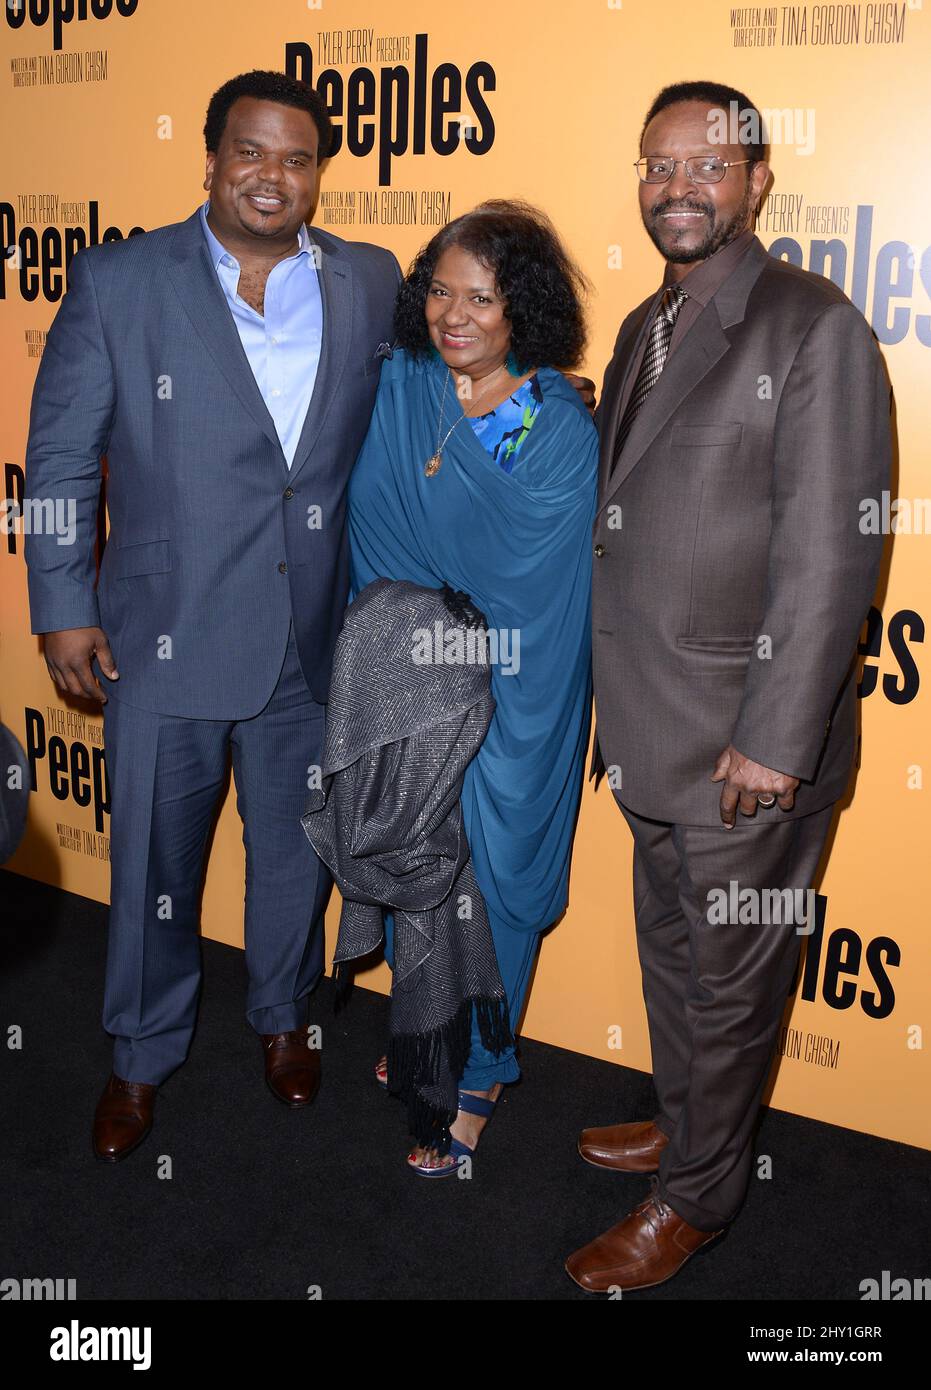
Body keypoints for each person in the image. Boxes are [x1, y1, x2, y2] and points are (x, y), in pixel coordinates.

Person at [23, 69, 401, 1161]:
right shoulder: (120, 280)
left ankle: (284, 1020)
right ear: (210, 158)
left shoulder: (368, 281)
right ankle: (140, 1054)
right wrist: (61, 603)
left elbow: (440, 379)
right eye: (250, 151)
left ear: (316, 172)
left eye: (294, 157)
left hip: (308, 638)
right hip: (161, 634)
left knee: (294, 856)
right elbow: (56, 459)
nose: (270, 175)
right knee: (152, 866)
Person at [566, 81, 891, 1290]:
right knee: (673, 962)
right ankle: (687, 1121)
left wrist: (769, 741)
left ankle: (696, 1199)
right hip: (649, 733)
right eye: (656, 165)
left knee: (735, 982)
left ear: (757, 181)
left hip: (742, 755)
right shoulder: (645, 322)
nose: (676, 186)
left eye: (707, 165)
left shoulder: (809, 325)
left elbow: (827, 554)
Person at [348, 201, 598, 1174]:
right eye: (440, 290)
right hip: (399, 683)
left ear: (521, 311)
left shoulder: (554, 429)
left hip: (507, 698)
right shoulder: (400, 381)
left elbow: (529, 594)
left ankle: (477, 1076)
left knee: (486, 882)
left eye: (481, 298)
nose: (454, 313)